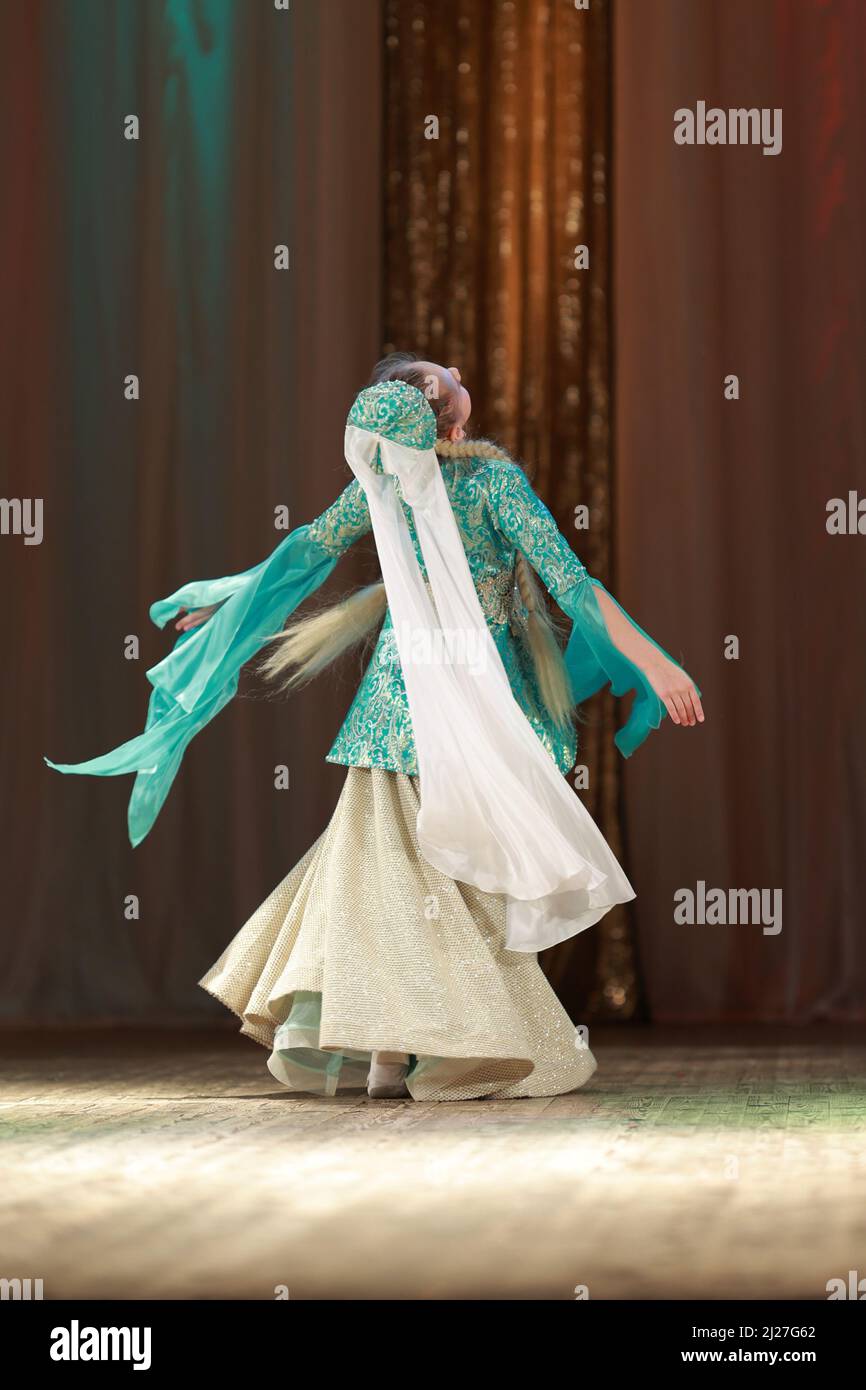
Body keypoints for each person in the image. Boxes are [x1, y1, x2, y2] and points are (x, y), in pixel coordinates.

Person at [46, 354, 702, 1102]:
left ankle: (395, 1048)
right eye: (440, 372)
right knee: (429, 875)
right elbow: (574, 585)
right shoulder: (486, 482)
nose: (453, 369)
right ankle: (414, 1046)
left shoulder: (385, 488)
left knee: (388, 870)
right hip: (466, 703)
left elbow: (303, 553)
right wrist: (655, 662)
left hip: (402, 701)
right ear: (443, 405)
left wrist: (233, 607)